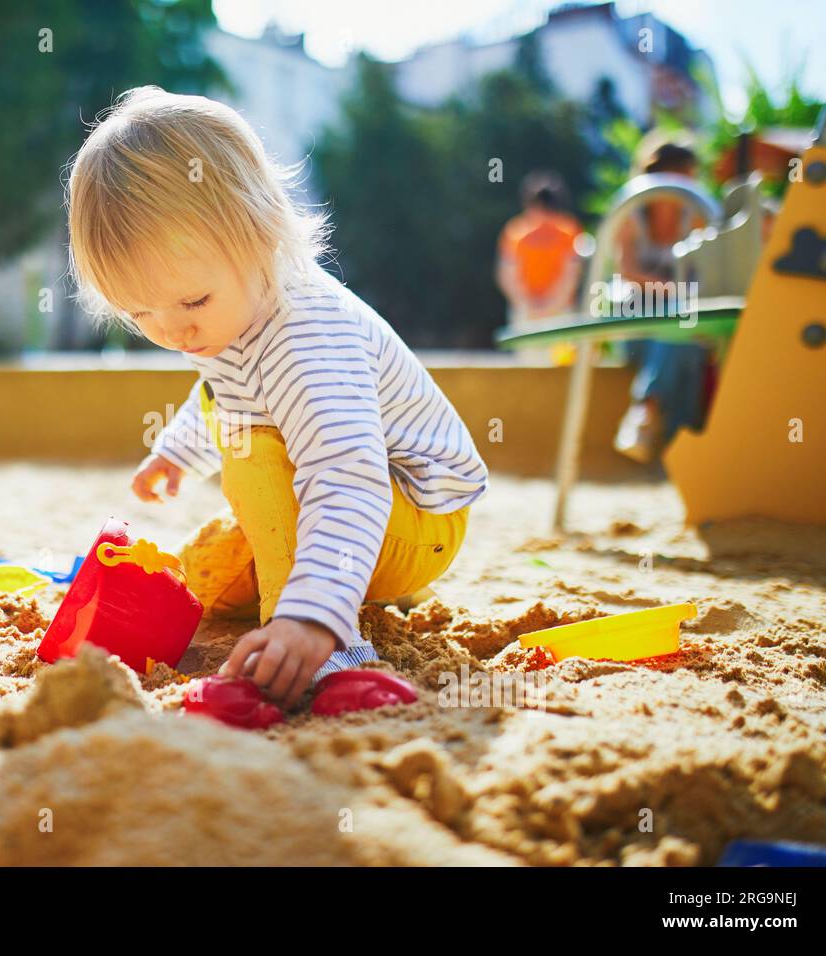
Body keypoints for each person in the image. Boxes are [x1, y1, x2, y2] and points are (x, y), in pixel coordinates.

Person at [66, 87, 488, 709]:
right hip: (354, 508)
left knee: (259, 455)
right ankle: (314, 593)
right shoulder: (229, 312)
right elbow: (221, 386)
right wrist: (178, 453)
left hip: (409, 516)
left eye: (191, 303)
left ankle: (335, 656)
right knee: (204, 579)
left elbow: (347, 478)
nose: (173, 332)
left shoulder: (307, 340)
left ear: (261, 234)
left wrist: (312, 623)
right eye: (140, 312)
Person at [612, 141, 711, 462]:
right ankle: (678, 449)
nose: (685, 185)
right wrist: (673, 291)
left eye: (690, 177)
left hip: (677, 322)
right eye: (680, 176)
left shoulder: (695, 214)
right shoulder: (632, 213)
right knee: (683, 335)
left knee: (686, 341)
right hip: (634, 324)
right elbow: (628, 272)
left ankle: (645, 415)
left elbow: (708, 272)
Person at [496, 170, 585, 362]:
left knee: (560, 364)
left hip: (561, 313)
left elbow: (572, 273)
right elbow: (507, 274)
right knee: (528, 364)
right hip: (525, 313)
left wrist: (551, 305)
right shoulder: (515, 232)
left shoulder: (569, 231)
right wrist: (528, 304)